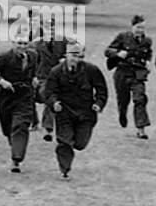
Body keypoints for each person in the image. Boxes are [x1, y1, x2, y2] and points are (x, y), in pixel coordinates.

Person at [43, 39, 108, 179]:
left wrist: (99, 104)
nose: (75, 58)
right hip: (64, 112)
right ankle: (64, 170)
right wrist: (54, 103)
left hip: (85, 114)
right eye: (73, 55)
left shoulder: (91, 70)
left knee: (80, 144)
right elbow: (49, 92)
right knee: (65, 141)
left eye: (79, 55)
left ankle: (74, 146)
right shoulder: (56, 72)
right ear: (66, 55)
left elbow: (102, 90)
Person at [0, 29, 38, 173]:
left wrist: (33, 78)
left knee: (21, 125)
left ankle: (16, 159)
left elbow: (33, 71)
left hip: (25, 96)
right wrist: (1, 81)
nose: (22, 46)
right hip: (6, 97)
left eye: (25, 43)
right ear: (13, 42)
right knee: (8, 128)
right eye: (19, 43)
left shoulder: (33, 56)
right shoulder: (4, 57)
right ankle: (14, 145)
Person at [105, 14, 153, 138]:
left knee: (140, 99)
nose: (140, 31)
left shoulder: (147, 41)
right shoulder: (122, 37)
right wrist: (118, 53)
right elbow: (107, 51)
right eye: (138, 27)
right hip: (122, 72)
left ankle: (141, 129)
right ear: (132, 27)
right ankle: (122, 113)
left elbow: (148, 53)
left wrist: (148, 61)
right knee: (123, 100)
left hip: (138, 74)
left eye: (143, 28)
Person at [32, 18, 68, 142]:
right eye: (48, 28)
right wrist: (34, 77)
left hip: (57, 79)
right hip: (41, 77)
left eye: (54, 28)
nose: (51, 31)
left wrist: (65, 60)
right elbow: (32, 63)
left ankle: (48, 129)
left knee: (50, 97)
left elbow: (77, 54)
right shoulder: (37, 45)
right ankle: (34, 121)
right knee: (27, 96)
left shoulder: (64, 42)